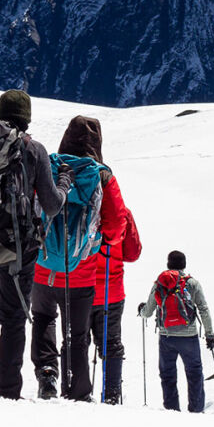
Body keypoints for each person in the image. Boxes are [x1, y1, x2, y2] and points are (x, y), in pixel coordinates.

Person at [0, 89, 68, 399]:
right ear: (27, 119)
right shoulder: (34, 150)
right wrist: (63, 184)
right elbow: (50, 205)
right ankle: (9, 390)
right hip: (18, 246)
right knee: (15, 314)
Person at [31, 115, 126, 401]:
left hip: (43, 265)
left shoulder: (47, 165)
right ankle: (77, 392)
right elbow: (117, 224)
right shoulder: (102, 175)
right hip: (82, 269)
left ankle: (47, 372)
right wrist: (100, 241)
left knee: (43, 317)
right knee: (77, 334)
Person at [139, 250, 214, 412]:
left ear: (168, 264)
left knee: (167, 375)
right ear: (184, 265)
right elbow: (203, 309)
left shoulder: (160, 283)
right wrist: (209, 334)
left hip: (166, 336)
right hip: (189, 336)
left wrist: (141, 310)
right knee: (194, 373)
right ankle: (196, 411)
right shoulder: (192, 283)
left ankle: (172, 411)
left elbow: (148, 312)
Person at [90, 205, 140, 404]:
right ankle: (111, 395)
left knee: (75, 340)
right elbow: (132, 253)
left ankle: (75, 390)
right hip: (112, 291)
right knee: (111, 344)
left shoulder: (75, 202)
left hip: (78, 286)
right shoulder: (121, 212)